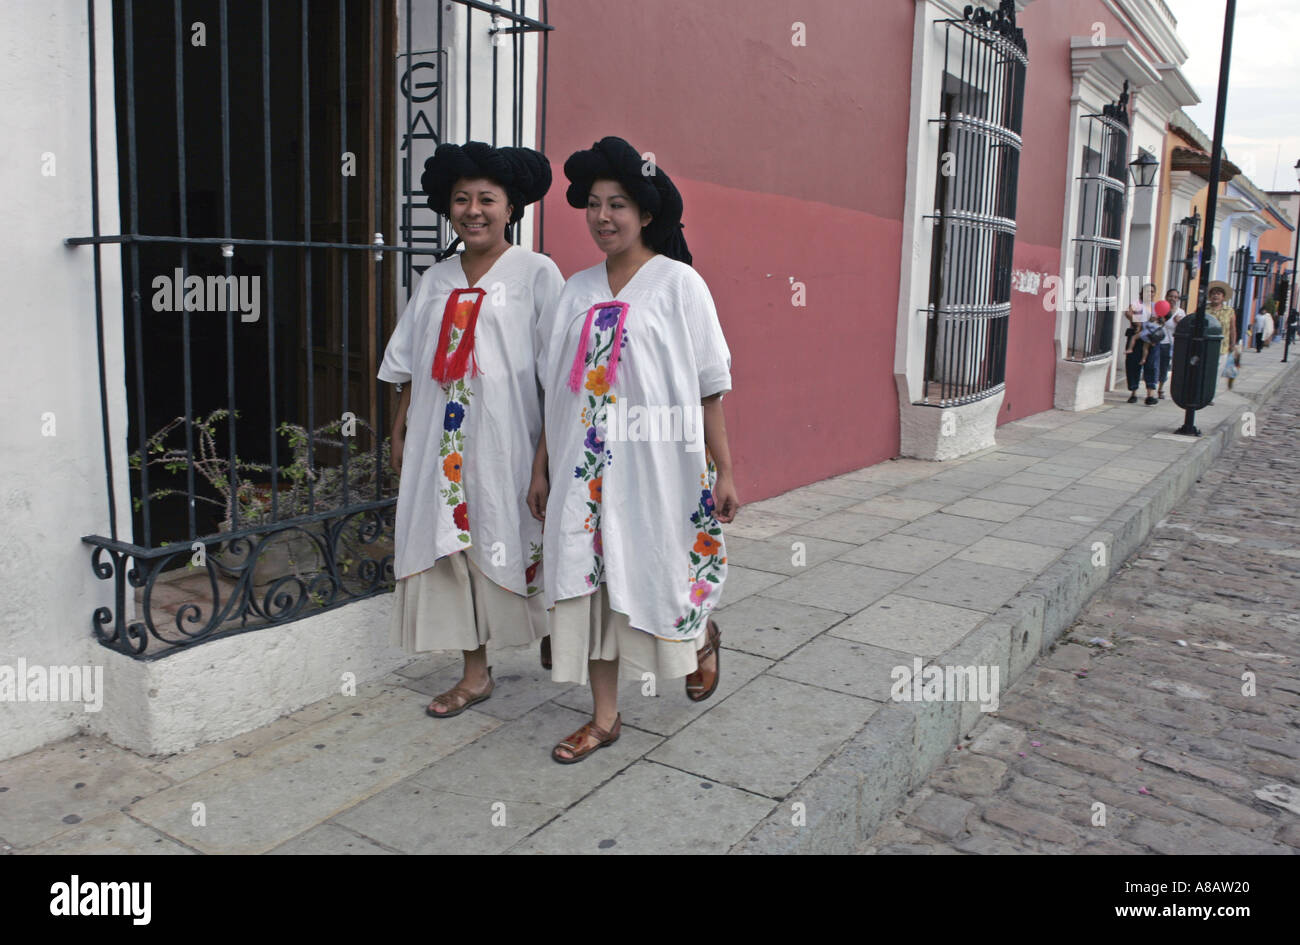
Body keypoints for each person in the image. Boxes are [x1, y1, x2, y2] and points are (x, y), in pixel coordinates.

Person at [530, 136, 739, 763]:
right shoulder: (575, 289)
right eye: (593, 205)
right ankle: (603, 718)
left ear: (645, 213)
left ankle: (699, 637)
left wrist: (723, 470)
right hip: (581, 472)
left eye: (617, 204)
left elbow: (709, 388)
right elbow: (551, 392)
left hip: (660, 467)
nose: (602, 218)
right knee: (590, 585)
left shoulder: (679, 285)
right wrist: (542, 467)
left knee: (662, 570)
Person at [378, 142, 563, 718]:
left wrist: (544, 458)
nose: (473, 210)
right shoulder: (435, 279)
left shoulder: (537, 273)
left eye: (487, 198)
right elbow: (409, 361)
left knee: (524, 538)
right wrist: (400, 428)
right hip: (442, 444)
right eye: (462, 199)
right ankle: (474, 671)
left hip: (509, 442)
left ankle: (561, 630)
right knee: (454, 547)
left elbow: (558, 376)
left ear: (511, 208)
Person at [1124, 283, 1159, 404]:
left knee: (1151, 365)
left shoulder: (1156, 307)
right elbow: (1128, 313)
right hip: (1137, 336)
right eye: (1147, 291)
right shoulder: (1136, 304)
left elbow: (1162, 320)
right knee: (1133, 364)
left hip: (1151, 338)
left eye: (1152, 291)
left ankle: (1150, 395)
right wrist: (1139, 322)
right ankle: (1133, 392)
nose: (1150, 294)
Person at [1206, 280, 1238, 393]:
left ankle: (1210, 394)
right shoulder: (1204, 309)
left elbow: (1232, 328)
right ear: (1210, 296)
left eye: (1218, 294)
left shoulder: (1229, 311)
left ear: (1223, 297)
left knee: (1216, 372)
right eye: (1213, 293)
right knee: (1205, 370)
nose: (1215, 295)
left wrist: (1233, 344)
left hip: (1222, 346)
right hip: (1206, 345)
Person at [1157, 288, 1185, 399]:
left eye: (1175, 297)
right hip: (1158, 341)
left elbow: (1184, 329)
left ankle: (1160, 388)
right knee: (1155, 364)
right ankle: (1152, 387)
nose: (1172, 299)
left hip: (1170, 344)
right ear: (1166, 297)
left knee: (1164, 366)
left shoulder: (1180, 312)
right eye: (1170, 296)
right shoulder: (1160, 309)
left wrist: (1179, 322)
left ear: (1178, 299)